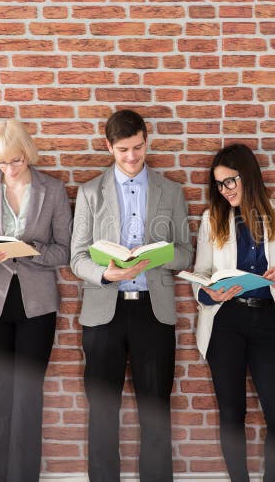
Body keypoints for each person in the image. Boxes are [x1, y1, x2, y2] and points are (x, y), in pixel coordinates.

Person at [70, 109, 193, 482]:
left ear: (146, 141)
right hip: (103, 312)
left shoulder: (171, 191)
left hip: (153, 313)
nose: (131, 156)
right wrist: (105, 274)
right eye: (123, 149)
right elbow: (76, 258)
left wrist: (158, 255)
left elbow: (186, 254)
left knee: (155, 411)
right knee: (102, 412)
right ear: (108, 146)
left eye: (138, 147)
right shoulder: (90, 193)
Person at [190, 144, 275, 482]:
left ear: (249, 176)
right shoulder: (212, 219)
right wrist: (209, 293)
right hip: (225, 320)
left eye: (230, 181)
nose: (225, 190)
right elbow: (199, 276)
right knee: (231, 415)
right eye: (219, 184)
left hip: (269, 319)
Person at [0, 119, 72, 482]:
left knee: (28, 396)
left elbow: (65, 250)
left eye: (16, 160)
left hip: (37, 306)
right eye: (1, 163)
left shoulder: (52, 190)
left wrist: (29, 250)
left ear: (28, 154)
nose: (9, 169)